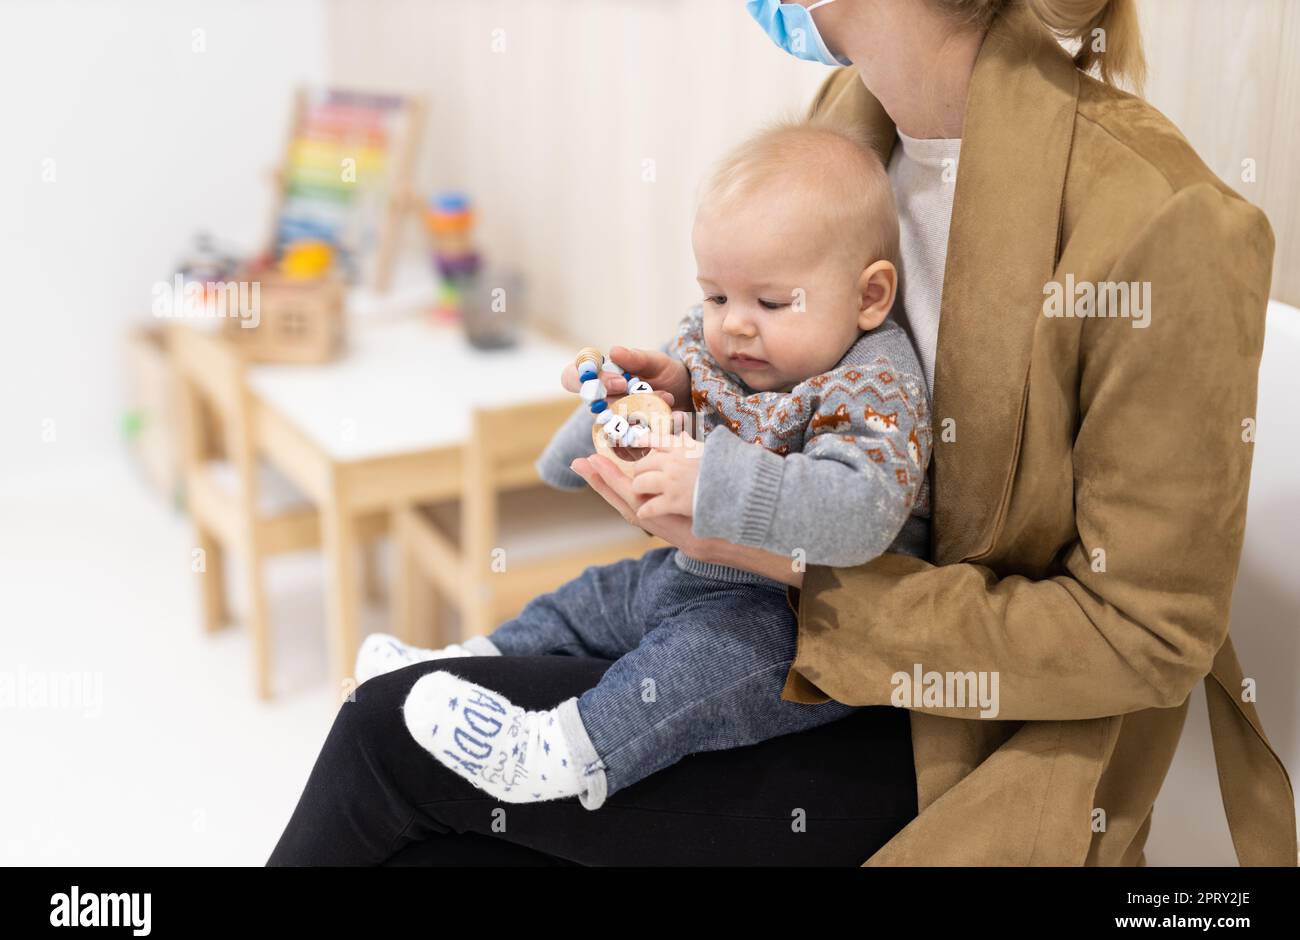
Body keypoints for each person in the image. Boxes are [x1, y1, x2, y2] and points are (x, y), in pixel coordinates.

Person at [268, 0, 1296, 867]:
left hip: (955, 727)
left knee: (385, 735)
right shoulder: (849, 127)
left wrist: (779, 547)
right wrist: (699, 396)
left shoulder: (1161, 223)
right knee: (434, 806)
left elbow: (1148, 637)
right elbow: (795, 378)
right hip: (762, 623)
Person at [356, 118, 931, 813]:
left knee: (687, 673)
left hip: (789, 615)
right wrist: (616, 409)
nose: (735, 324)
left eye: (772, 303)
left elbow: (858, 509)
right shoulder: (720, 346)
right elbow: (584, 459)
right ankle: (462, 662)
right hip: (681, 571)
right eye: (717, 295)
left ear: (869, 296)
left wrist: (707, 475)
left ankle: (556, 753)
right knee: (579, 602)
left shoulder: (872, 381)